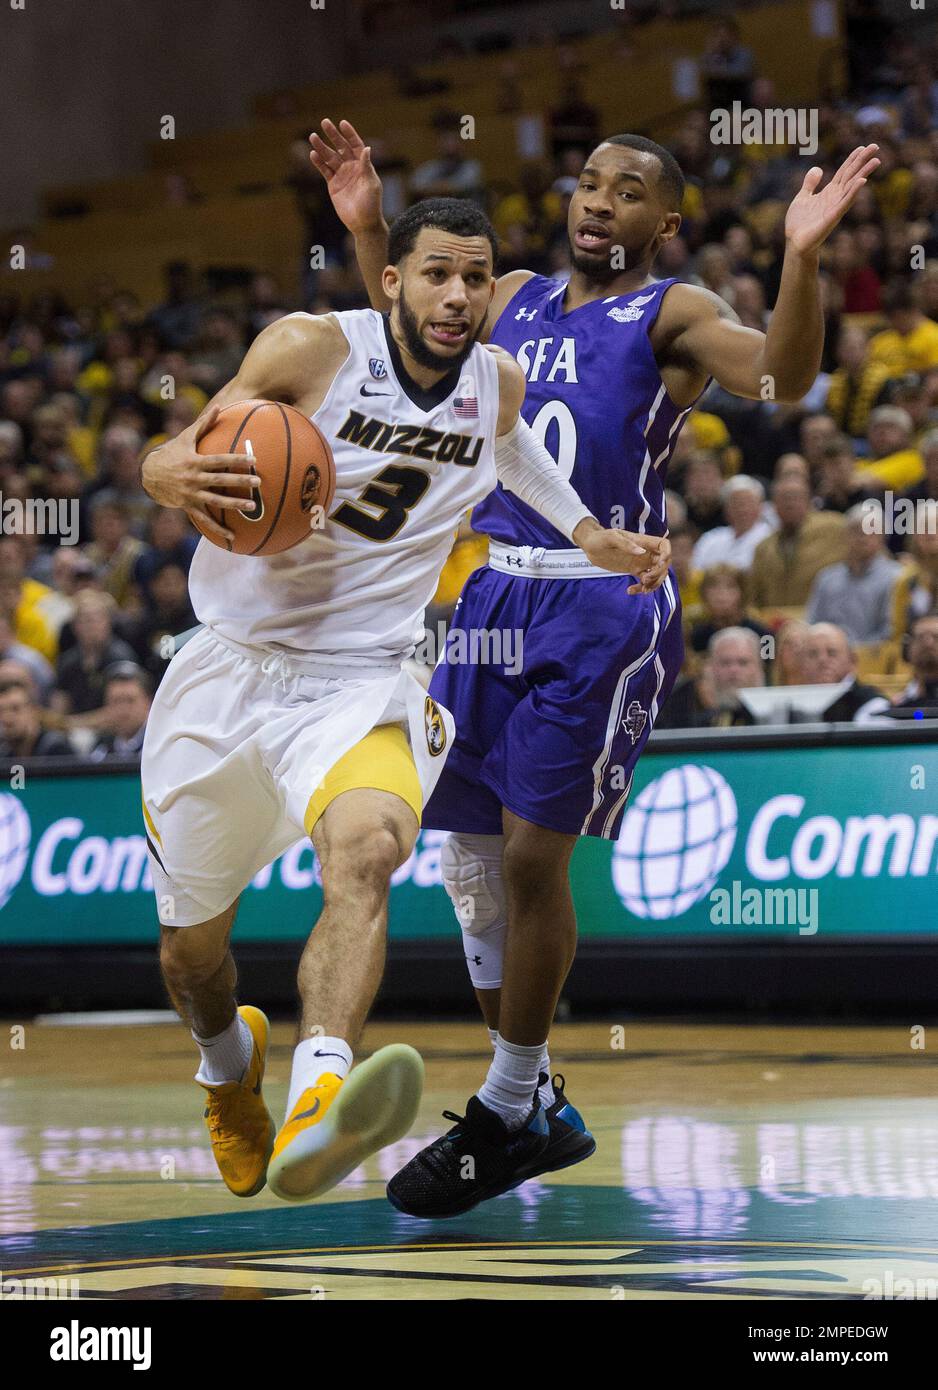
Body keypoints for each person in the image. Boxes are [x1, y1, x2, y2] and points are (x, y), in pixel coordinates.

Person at [311, 117, 880, 1215]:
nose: (595, 201)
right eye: (586, 182)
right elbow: (404, 345)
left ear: (662, 225)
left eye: (624, 192)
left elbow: (781, 377)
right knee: (469, 868)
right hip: (487, 596)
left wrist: (801, 256)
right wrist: (371, 226)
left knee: (530, 863)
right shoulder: (509, 289)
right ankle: (533, 1106)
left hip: (599, 603)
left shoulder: (672, 313)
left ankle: (507, 1102)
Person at [138, 196, 660, 1207]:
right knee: (192, 953)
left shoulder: (492, 381)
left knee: (369, 849)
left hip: (362, 676)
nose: (458, 294)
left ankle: (318, 1092)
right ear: (391, 280)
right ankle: (223, 1063)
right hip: (229, 670)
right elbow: (191, 440)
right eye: (435, 273)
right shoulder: (308, 350)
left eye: (476, 275)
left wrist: (588, 532)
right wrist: (164, 468)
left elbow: (510, 448)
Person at [806, 502, 901, 643]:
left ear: (882, 537)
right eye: (856, 530)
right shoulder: (827, 578)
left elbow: (890, 630)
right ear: (845, 536)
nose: (863, 535)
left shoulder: (897, 577)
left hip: (874, 658)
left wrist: (853, 652)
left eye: (871, 529)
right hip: (827, 656)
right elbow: (812, 623)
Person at [748, 476, 847, 609]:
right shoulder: (763, 549)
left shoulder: (834, 528)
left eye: (796, 497)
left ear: (809, 502)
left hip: (822, 618)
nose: (790, 503)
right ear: (774, 506)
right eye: (784, 498)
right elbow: (754, 598)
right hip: (775, 622)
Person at [657, 627, 763, 730]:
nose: (733, 670)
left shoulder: (774, 702)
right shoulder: (677, 701)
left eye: (743, 662)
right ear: (709, 667)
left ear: (759, 667)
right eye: (725, 663)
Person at [800, 623, 891, 722]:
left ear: (852, 660)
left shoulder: (873, 706)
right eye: (813, 654)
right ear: (802, 664)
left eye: (832, 652)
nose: (822, 660)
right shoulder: (792, 705)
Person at [691, 475, 774, 572]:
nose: (743, 509)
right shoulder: (711, 539)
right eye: (737, 503)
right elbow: (695, 570)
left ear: (760, 507)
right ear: (726, 509)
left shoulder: (769, 539)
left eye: (748, 503)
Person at [0, 676, 73, 759]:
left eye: (15, 709)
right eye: (1, 711)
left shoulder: (56, 750)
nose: (7, 718)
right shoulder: (4, 754)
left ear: (33, 710)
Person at [90, 662, 153, 759]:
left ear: (148, 703)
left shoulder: (158, 744)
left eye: (130, 700)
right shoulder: (101, 749)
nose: (122, 709)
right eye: (116, 701)